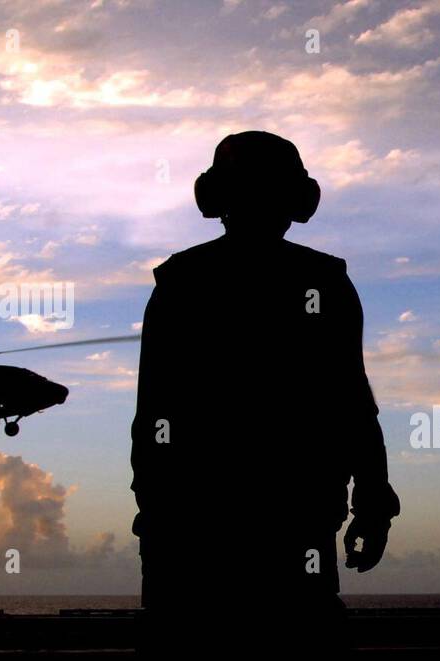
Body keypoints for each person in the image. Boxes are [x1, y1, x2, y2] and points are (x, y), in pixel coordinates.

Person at [130, 132, 399, 615]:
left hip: (199, 527)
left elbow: (154, 416)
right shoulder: (322, 283)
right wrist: (372, 503)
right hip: (274, 523)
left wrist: (155, 508)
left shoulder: (182, 282)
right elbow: (354, 406)